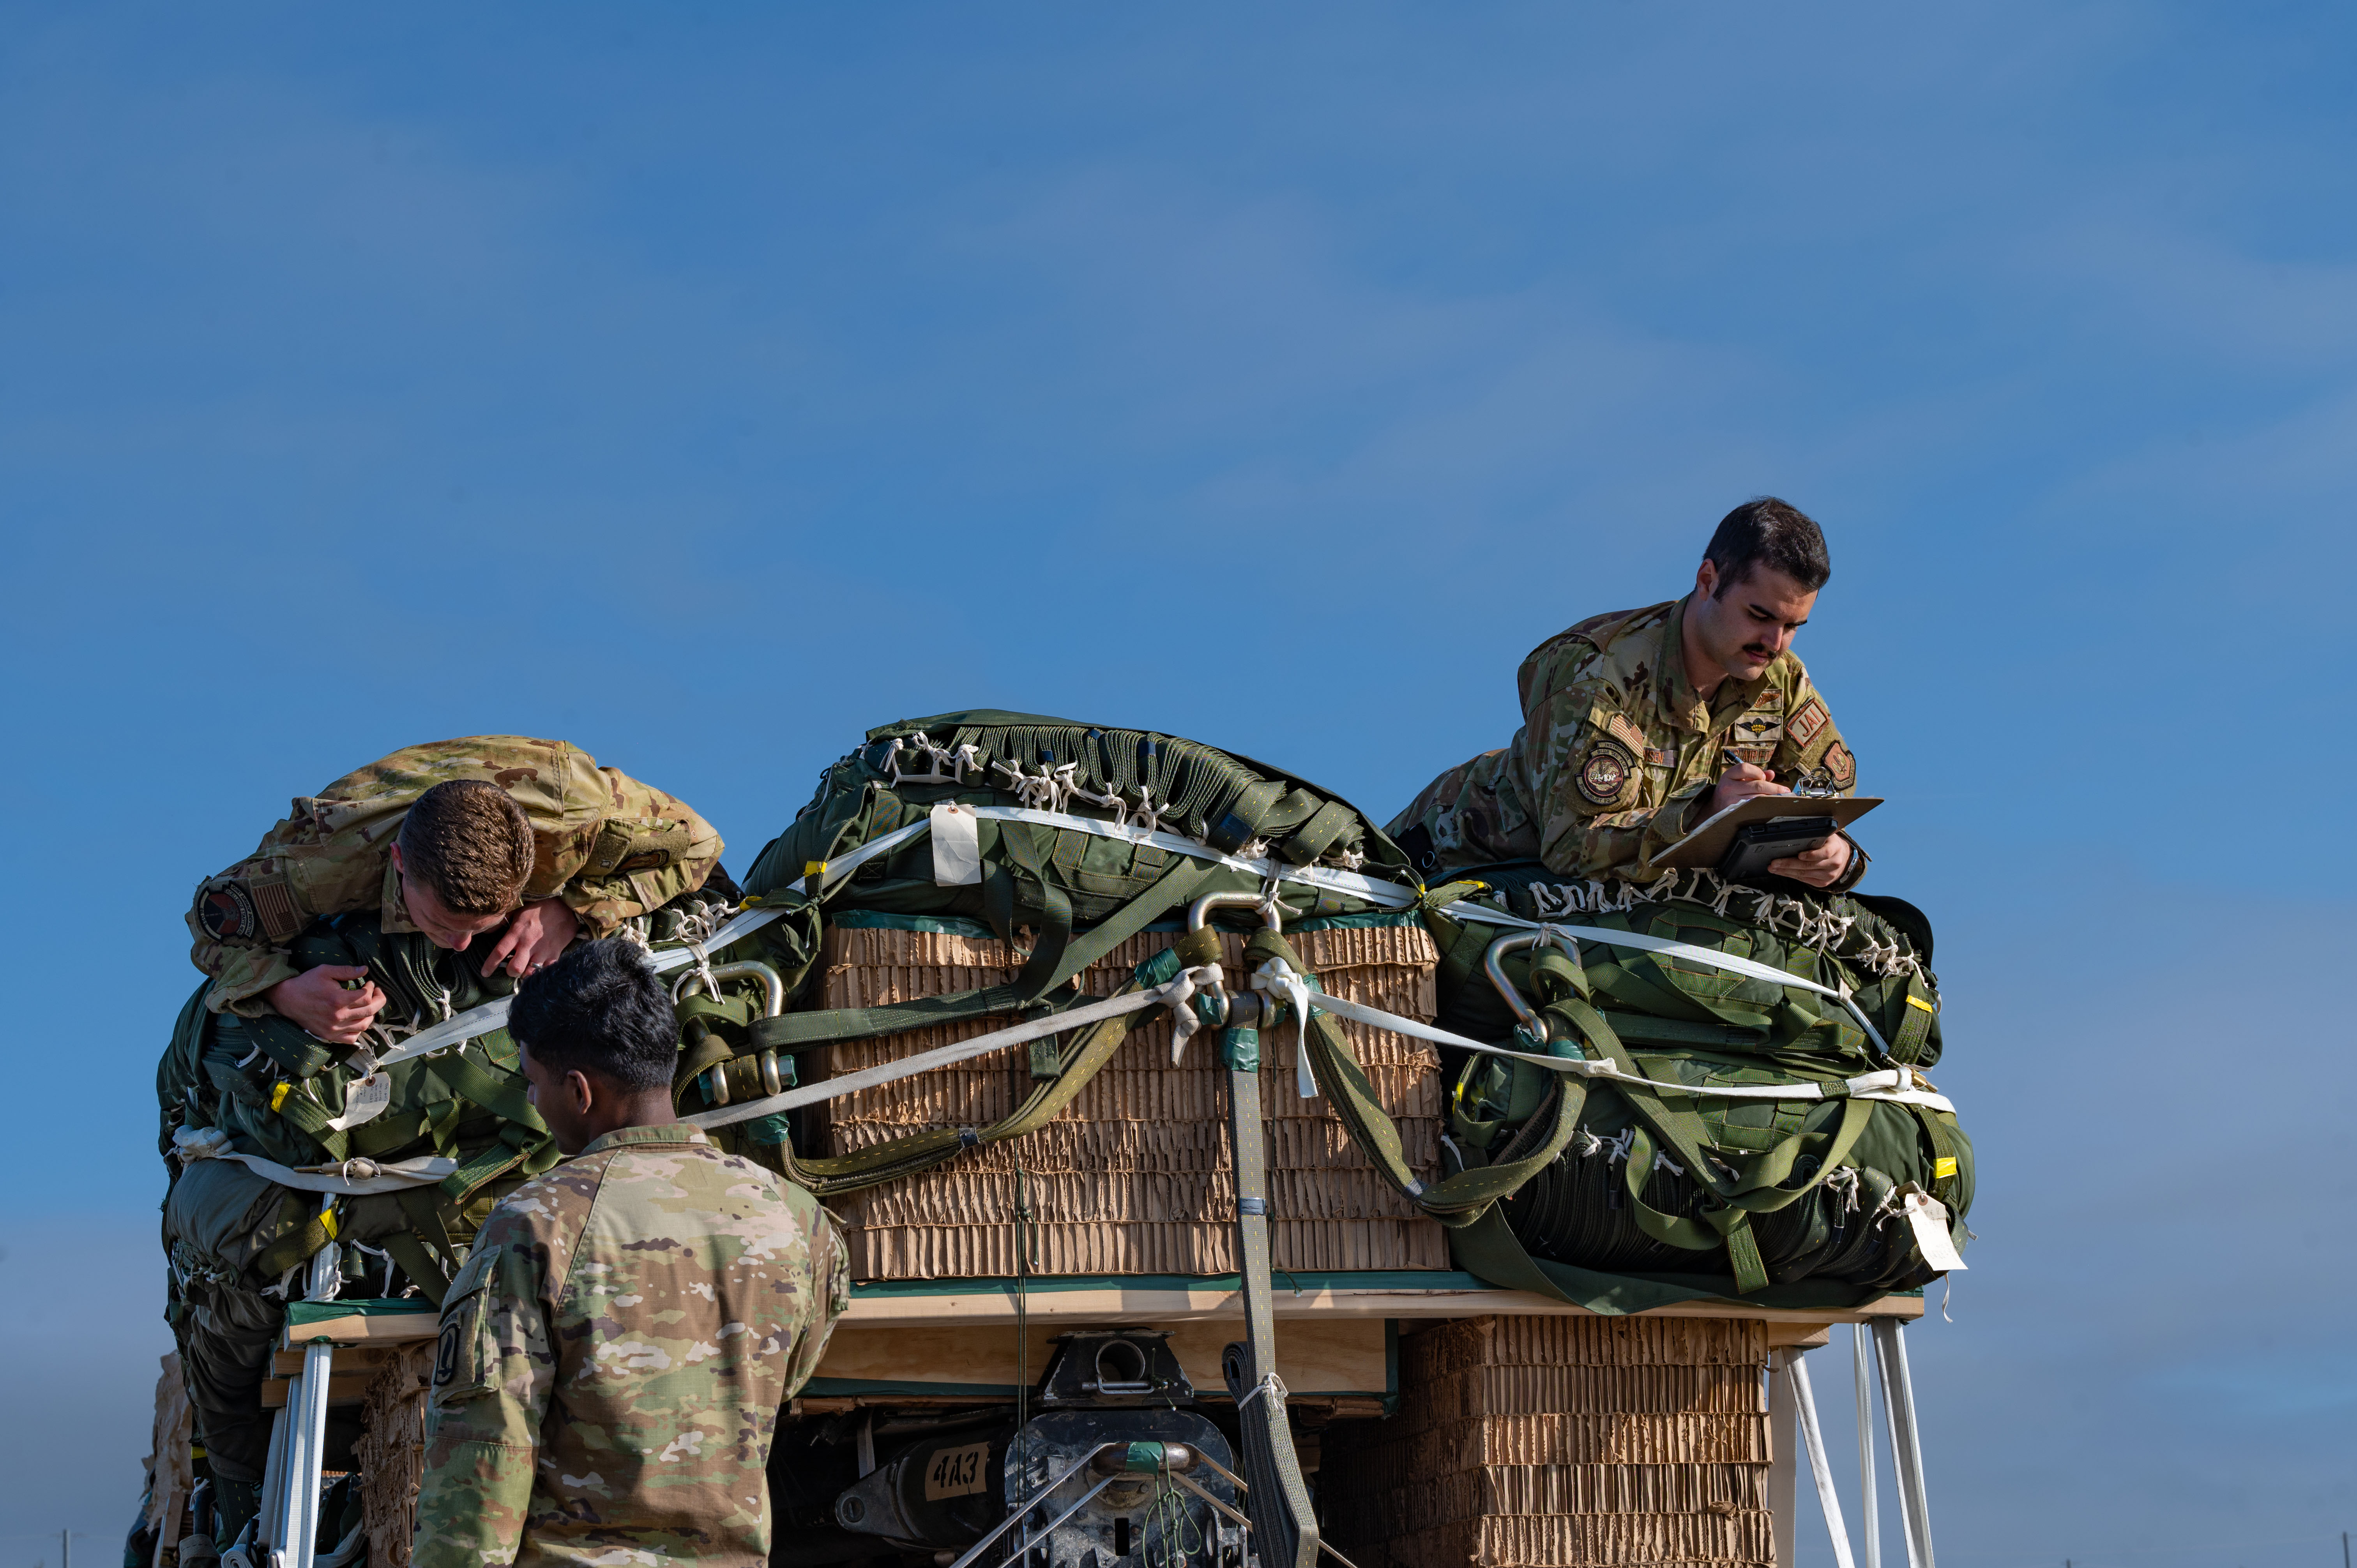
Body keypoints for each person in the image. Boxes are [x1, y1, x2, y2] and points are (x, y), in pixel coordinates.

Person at [411, 939, 848, 1568]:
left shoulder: (536, 1224)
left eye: (534, 1083)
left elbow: (484, 1456)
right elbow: (786, 1376)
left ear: (580, 1092)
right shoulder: (795, 1216)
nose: (532, 1102)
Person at [1389, 497, 1867, 890]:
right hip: (1444, 857)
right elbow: (1571, 846)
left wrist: (1836, 855)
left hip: (1602, 894)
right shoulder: (1596, 669)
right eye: (1760, 616)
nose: (1775, 642)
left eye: (1793, 626)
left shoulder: (1781, 680)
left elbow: (1829, 798)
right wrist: (1704, 816)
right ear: (1708, 581)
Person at [187, 736, 723, 1043]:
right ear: (399, 864)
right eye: (443, 925)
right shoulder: (317, 867)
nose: (463, 944)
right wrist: (283, 992)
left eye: (479, 928)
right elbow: (209, 934)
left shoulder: (570, 812)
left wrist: (574, 908)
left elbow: (701, 843)